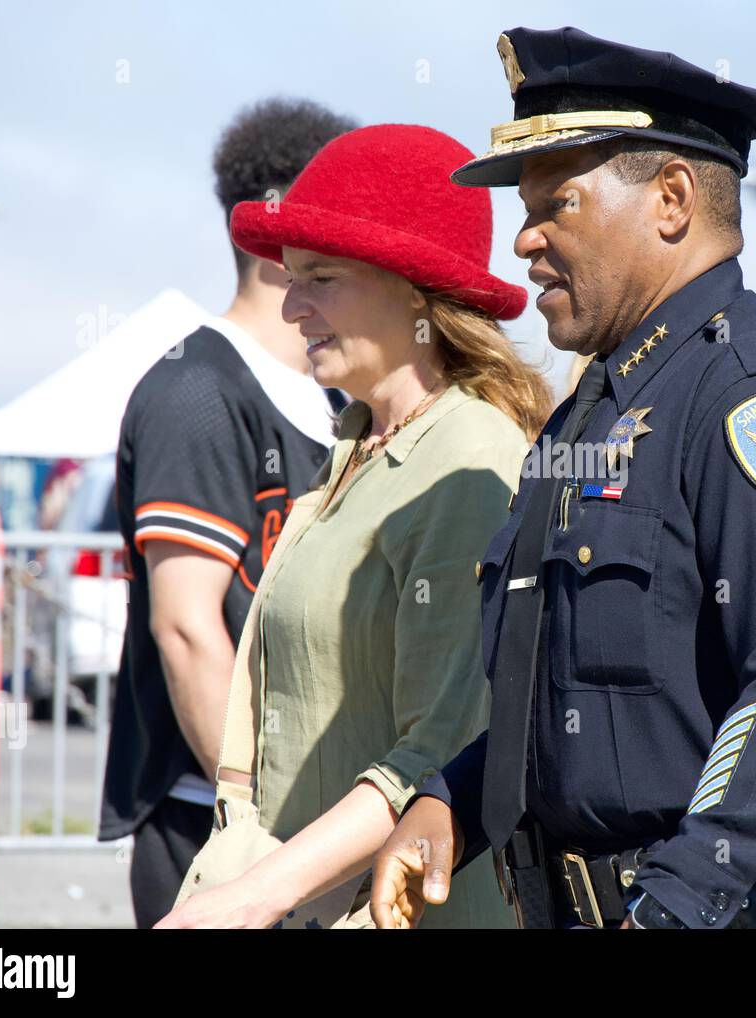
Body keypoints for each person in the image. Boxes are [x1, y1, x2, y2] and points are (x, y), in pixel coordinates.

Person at [371, 26, 756, 930]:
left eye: (557, 205)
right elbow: (603, 706)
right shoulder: (602, 404)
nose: (524, 241)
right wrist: (451, 805)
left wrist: (678, 900)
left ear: (671, 198)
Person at [157, 123, 550, 929]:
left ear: (414, 290)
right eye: (291, 278)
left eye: (321, 279)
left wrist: (249, 901)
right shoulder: (360, 442)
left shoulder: (468, 459)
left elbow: (437, 749)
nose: (293, 305)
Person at [99, 98, 355, 929]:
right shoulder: (197, 390)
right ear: (280, 231)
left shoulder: (335, 400)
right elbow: (186, 630)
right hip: (216, 827)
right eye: (341, 223)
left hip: (310, 829)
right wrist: (257, 834)